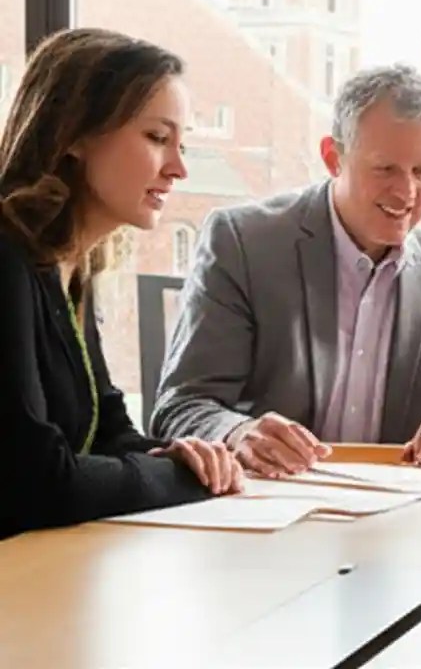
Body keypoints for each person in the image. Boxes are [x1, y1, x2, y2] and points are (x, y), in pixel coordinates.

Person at [153, 64, 421, 477]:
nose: (406, 192)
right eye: (385, 169)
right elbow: (181, 406)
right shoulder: (244, 243)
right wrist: (237, 432)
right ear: (332, 157)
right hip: (269, 509)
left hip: (396, 517)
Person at [0, 28, 242, 539]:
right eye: (157, 138)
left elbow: (109, 429)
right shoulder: (7, 261)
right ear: (75, 136)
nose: (178, 168)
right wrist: (173, 475)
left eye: (182, 143)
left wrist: (188, 457)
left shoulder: (70, 269)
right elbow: (39, 481)